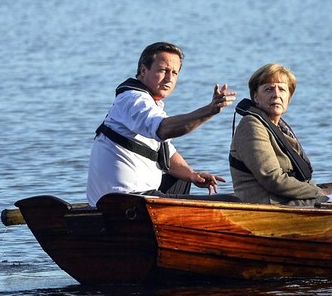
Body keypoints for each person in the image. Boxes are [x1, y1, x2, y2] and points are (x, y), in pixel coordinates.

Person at [87, 42, 233, 206]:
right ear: (143, 71)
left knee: (181, 178)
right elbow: (163, 129)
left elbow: (167, 154)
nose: (169, 78)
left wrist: (192, 175)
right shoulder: (133, 100)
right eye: (163, 70)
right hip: (125, 202)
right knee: (233, 201)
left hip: (127, 200)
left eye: (174, 73)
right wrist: (209, 110)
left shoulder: (148, 103)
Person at [229, 63, 332, 208]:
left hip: (286, 200)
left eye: (282, 89)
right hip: (271, 204)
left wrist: (322, 189)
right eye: (268, 89)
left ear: (288, 98)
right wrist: (322, 191)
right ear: (256, 97)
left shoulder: (279, 128)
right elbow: (273, 179)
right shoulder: (251, 125)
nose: (276, 95)